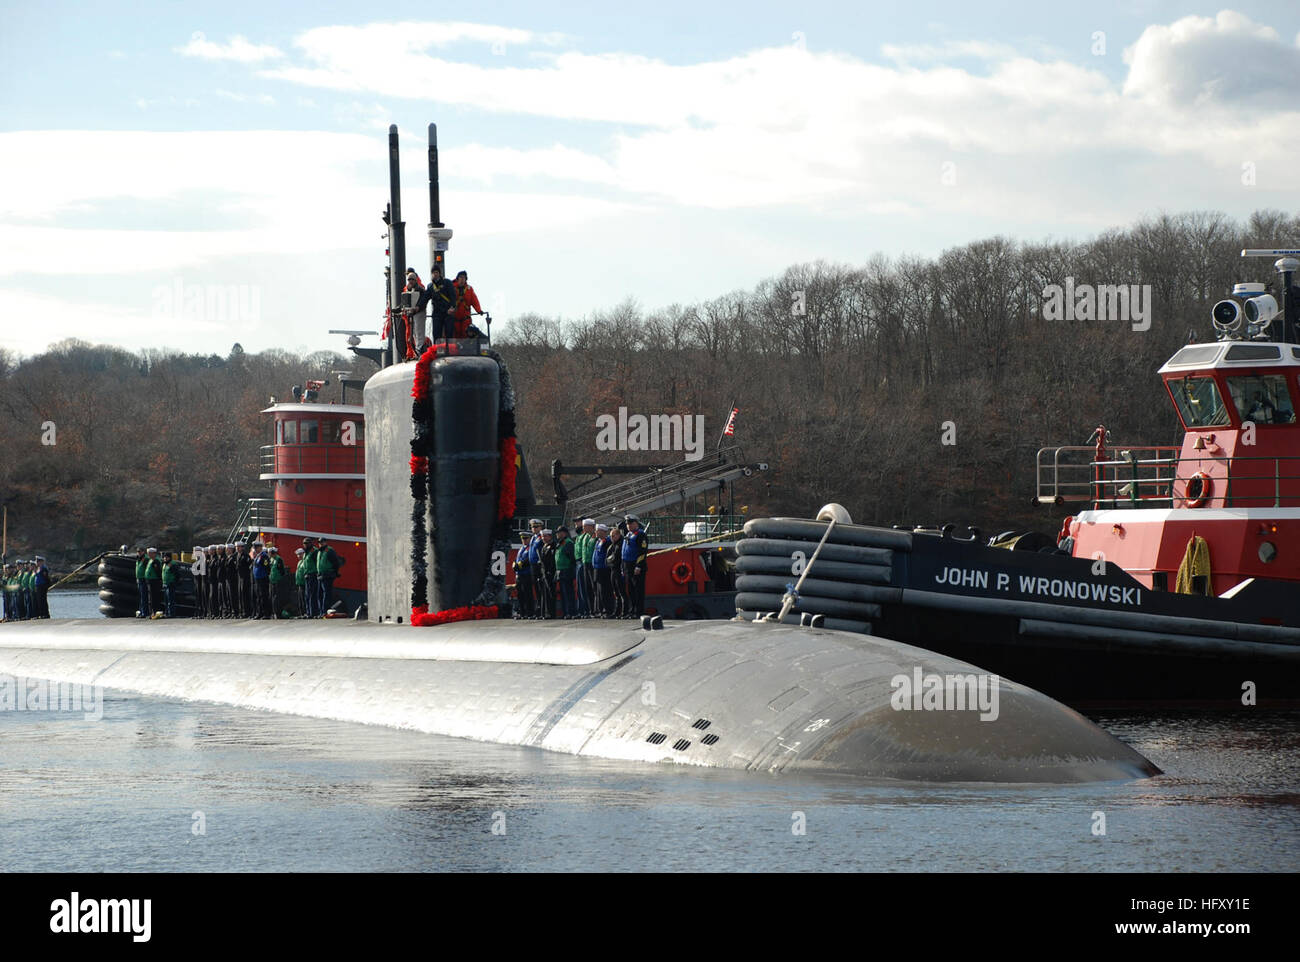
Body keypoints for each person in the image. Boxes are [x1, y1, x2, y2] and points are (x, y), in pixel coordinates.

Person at [416, 266, 458, 339]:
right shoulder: (431, 286)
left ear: (439, 273)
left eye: (436, 272)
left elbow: (453, 296)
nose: (435, 274)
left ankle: (450, 350)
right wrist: (418, 306)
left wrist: (452, 307)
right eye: (433, 273)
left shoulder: (447, 283)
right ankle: (437, 349)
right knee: (436, 334)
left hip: (448, 311)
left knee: (449, 334)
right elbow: (425, 298)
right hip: (437, 313)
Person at [621, 516, 649, 617]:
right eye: (627, 524)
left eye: (631, 523)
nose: (628, 526)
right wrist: (623, 567)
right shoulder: (628, 534)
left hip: (636, 566)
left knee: (638, 590)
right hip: (627, 566)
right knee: (631, 590)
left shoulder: (641, 535)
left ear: (636, 524)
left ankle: (638, 611)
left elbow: (642, 552)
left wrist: (638, 566)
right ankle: (632, 610)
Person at [449, 270, 483, 338]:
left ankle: (466, 348)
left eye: (464, 278)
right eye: (460, 277)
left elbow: (474, 300)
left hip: (466, 318)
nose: (462, 279)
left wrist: (479, 310)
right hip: (455, 317)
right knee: (455, 335)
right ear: (457, 279)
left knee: (466, 334)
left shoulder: (469, 289)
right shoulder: (451, 288)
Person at [574, 518, 596, 617]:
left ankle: (592, 610)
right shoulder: (583, 537)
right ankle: (585, 610)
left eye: (584, 525)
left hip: (590, 563)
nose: (582, 527)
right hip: (582, 562)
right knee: (583, 588)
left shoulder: (593, 536)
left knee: (592, 588)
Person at [316, 538, 343, 616]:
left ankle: (325, 611)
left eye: (322, 542)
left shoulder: (329, 551)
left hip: (327, 575)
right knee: (320, 594)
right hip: (321, 575)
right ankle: (321, 611)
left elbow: (336, 562)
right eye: (319, 542)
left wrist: (334, 572)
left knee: (326, 594)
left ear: (325, 542)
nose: (320, 544)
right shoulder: (320, 551)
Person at [554, 526, 577, 618]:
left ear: (564, 533)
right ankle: (565, 612)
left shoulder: (568, 543)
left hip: (567, 570)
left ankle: (570, 612)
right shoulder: (560, 543)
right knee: (563, 593)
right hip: (560, 571)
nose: (557, 535)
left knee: (568, 593)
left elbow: (571, 558)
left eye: (558, 533)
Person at [591, 523, 613, 617]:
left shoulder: (607, 541)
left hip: (604, 569)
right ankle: (600, 609)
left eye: (597, 530)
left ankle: (607, 610)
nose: (595, 532)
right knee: (599, 591)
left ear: (603, 531)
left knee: (605, 591)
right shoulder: (598, 541)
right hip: (597, 569)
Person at [524, 519, 544, 617]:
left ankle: (542, 609)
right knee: (536, 588)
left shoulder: (541, 538)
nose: (534, 529)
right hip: (532, 565)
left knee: (541, 588)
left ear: (540, 527)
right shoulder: (532, 538)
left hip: (538, 565)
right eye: (532, 527)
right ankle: (538, 608)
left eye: (536, 527)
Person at [512, 530, 535, 618]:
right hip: (519, 574)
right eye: (522, 538)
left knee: (527, 594)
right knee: (520, 594)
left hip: (526, 574)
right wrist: (514, 564)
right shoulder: (522, 548)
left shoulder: (530, 548)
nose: (524, 540)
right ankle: (522, 613)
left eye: (526, 538)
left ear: (530, 538)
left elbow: (528, 559)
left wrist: (520, 565)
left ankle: (529, 613)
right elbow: (517, 559)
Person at [607, 526, 627, 617]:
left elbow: (616, 557)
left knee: (622, 592)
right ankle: (617, 611)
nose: (612, 538)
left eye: (613, 536)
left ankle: (624, 611)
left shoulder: (621, 544)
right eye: (611, 536)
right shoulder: (612, 545)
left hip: (619, 570)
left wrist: (611, 559)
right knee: (616, 592)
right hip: (613, 570)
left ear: (618, 535)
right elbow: (608, 559)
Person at [537, 529, 557, 619]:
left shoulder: (553, 546)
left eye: (545, 536)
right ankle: (544, 612)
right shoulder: (543, 546)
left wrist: (551, 571)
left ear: (549, 536)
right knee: (544, 593)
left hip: (550, 572)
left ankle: (551, 613)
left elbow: (553, 560)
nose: (543, 538)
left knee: (550, 593)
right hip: (544, 573)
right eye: (542, 536)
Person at [251, 541, 271, 619]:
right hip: (258, 579)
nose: (255, 549)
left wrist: (265, 576)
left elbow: (267, 567)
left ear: (260, 547)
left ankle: (266, 614)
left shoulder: (264, 556)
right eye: (254, 548)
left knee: (264, 596)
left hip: (263, 579)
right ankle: (260, 613)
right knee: (259, 597)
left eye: (256, 547)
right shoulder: (257, 556)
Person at [300, 539, 319, 617]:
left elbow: (317, 563)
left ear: (311, 543)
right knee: (307, 595)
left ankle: (313, 613)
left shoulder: (314, 551)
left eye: (307, 543)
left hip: (313, 575)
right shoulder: (305, 553)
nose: (305, 545)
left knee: (312, 595)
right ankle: (308, 612)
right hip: (307, 575)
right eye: (304, 543)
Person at [268, 545, 287, 618]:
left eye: (270, 553)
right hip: (272, 581)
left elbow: (282, 571)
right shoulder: (272, 559)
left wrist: (279, 579)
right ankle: (274, 612)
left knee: (277, 598)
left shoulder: (278, 559)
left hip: (277, 581)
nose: (269, 554)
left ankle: (278, 613)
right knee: (272, 597)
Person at [143, 547, 163, 617]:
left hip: (154, 581)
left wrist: (159, 580)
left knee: (154, 597)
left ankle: (155, 612)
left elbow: (158, 571)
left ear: (153, 553)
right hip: (150, 580)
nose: (148, 555)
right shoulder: (150, 560)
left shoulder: (156, 561)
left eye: (149, 553)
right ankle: (152, 612)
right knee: (151, 597)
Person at [161, 551, 179, 617]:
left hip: (170, 584)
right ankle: (167, 613)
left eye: (166, 557)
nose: (165, 558)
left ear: (169, 557)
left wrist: (174, 582)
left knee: (170, 601)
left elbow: (177, 574)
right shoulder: (165, 564)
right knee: (166, 600)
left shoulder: (172, 564)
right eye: (164, 557)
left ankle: (171, 613)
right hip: (165, 584)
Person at [134, 547, 150, 618]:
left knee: (144, 597)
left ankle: (145, 612)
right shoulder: (139, 559)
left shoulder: (145, 559)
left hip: (143, 579)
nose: (139, 553)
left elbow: (148, 569)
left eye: (140, 551)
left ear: (143, 552)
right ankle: (141, 611)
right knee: (140, 597)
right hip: (139, 579)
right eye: (138, 552)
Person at [293, 547, 308, 617]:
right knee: (300, 599)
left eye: (300, 554)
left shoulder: (305, 561)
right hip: (299, 583)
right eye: (298, 554)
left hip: (304, 583)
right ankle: (301, 613)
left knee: (305, 598)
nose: (298, 556)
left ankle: (305, 612)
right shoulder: (299, 562)